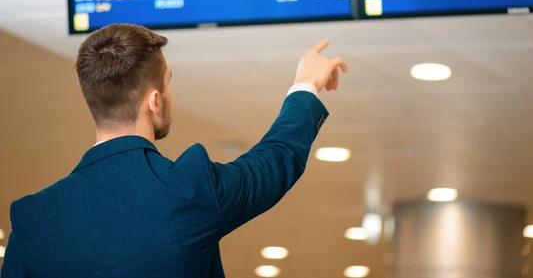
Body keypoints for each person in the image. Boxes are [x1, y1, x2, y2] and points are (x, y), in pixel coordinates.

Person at [1, 23, 348, 278]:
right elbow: (276, 158)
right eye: (168, 82)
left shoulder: (32, 220)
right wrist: (306, 85)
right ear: (154, 101)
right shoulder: (189, 188)